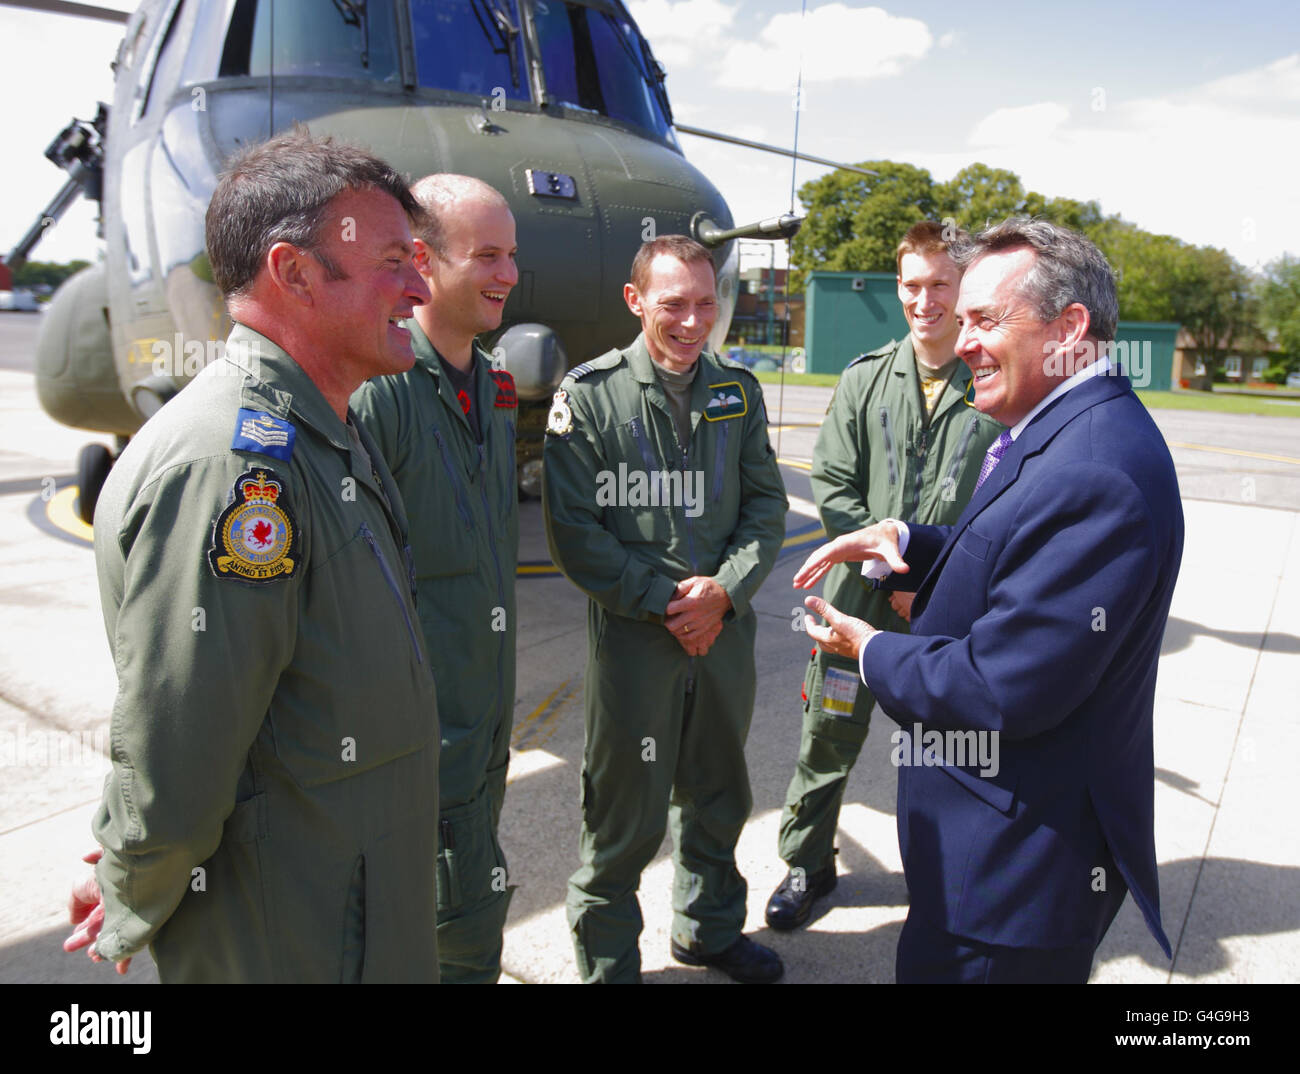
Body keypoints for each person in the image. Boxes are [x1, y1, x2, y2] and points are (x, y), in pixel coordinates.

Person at [63, 130, 442, 983]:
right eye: (392, 262)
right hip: (296, 933)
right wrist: (134, 879)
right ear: (296, 273)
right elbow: (182, 740)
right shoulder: (237, 467)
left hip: (356, 907)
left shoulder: (322, 431)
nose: (420, 287)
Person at [795, 217, 1183, 983]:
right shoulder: (1062, 429)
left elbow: (1000, 685)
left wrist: (867, 649)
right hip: (992, 860)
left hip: (1012, 883)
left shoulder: (1094, 471)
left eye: (984, 319)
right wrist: (908, 539)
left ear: (1070, 327)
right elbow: (1014, 552)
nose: (961, 338)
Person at [543, 235, 788, 983]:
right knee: (624, 812)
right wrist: (666, 602)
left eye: (706, 304)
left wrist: (725, 592)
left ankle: (709, 930)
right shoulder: (589, 394)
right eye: (673, 303)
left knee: (719, 793)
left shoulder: (736, 392)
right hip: (636, 643)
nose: (692, 321)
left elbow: (766, 507)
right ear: (636, 300)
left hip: (723, 636)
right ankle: (610, 962)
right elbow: (575, 533)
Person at [766, 221, 1002, 931]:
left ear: (962, 290)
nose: (923, 300)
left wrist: (930, 581)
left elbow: (1002, 502)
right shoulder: (866, 378)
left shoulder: (993, 386)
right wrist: (884, 563)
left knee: (945, 751)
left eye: (939, 285)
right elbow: (833, 483)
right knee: (826, 736)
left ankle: (945, 874)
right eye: (911, 285)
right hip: (851, 607)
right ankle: (807, 863)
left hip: (945, 615)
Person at [351, 175, 519, 984]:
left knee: (467, 925)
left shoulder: (494, 388)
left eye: (511, 255)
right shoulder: (377, 394)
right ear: (422, 258)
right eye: (487, 254)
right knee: (438, 941)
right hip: (413, 749)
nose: (508, 274)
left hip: (481, 737)